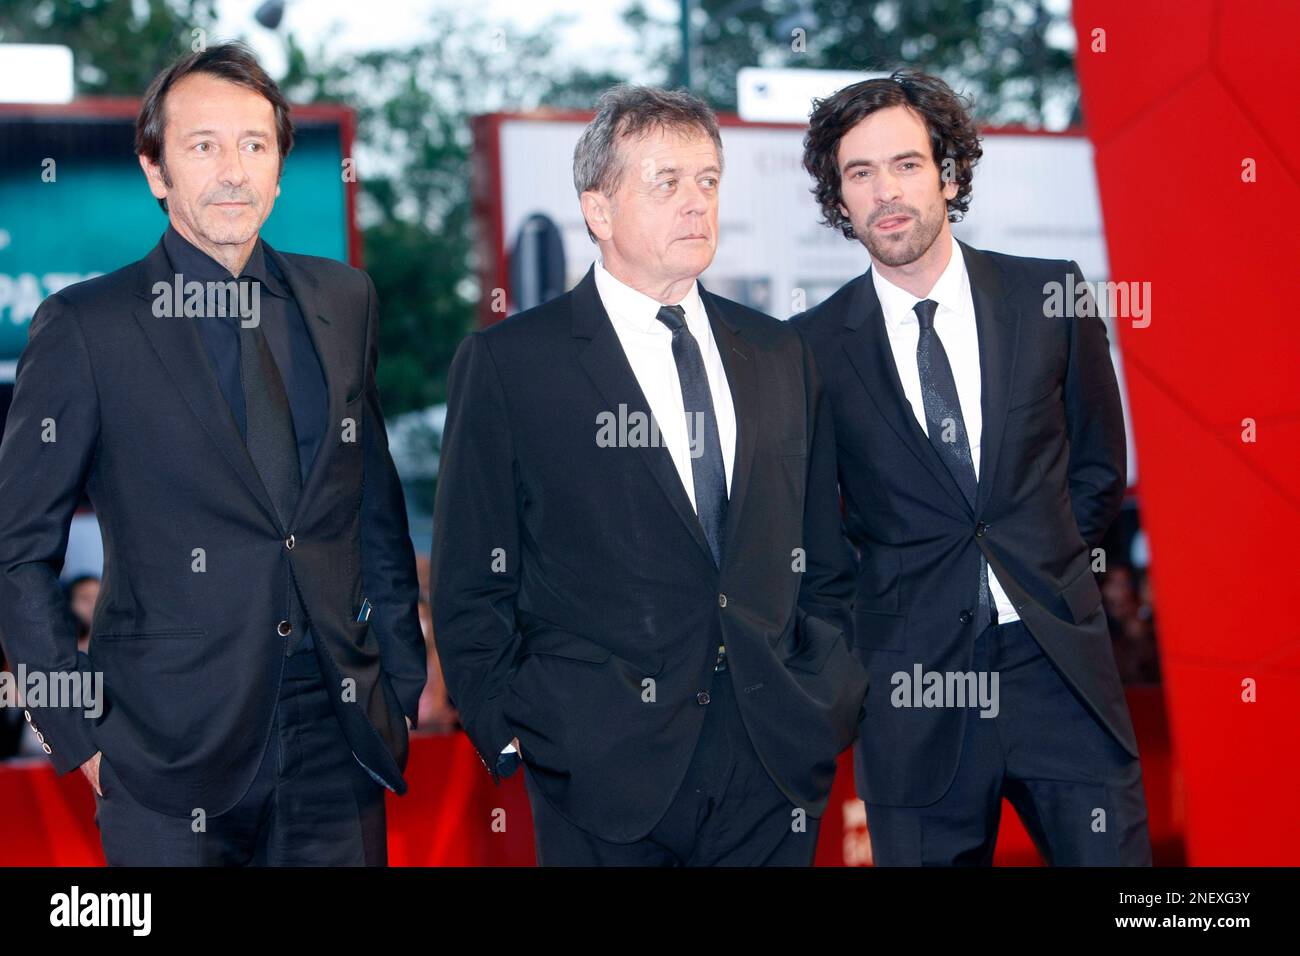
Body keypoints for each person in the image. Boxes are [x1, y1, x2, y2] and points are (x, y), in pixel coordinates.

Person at [0, 41, 425, 865]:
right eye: (203, 146)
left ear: (278, 168)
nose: (233, 170)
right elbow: (17, 554)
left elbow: (373, 512)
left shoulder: (344, 301)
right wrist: (79, 734)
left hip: (338, 742)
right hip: (162, 756)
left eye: (254, 145)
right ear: (156, 170)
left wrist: (400, 684)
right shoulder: (88, 327)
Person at [432, 85, 868, 866]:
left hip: (772, 762)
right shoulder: (512, 364)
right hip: (597, 767)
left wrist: (824, 697)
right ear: (598, 210)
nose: (696, 203)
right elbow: (472, 580)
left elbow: (823, 557)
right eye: (666, 183)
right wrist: (513, 732)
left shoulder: (779, 354)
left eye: (707, 180)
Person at [793, 69, 1152, 865]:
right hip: (911, 694)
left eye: (907, 164)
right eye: (860, 173)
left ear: (949, 174)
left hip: (1057, 668)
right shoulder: (810, 349)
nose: (886, 190)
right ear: (839, 201)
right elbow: (819, 541)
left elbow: (1097, 469)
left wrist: (1047, 570)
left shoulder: (1049, 295)